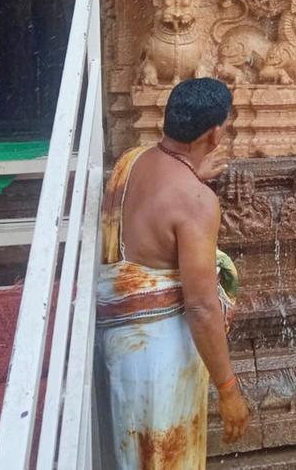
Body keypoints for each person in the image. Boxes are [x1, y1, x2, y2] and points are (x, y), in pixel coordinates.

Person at [97, 77, 249, 468]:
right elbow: (200, 307)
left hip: (118, 342)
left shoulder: (131, 161)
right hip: (158, 353)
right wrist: (228, 389)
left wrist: (193, 173)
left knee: (130, 453)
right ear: (214, 135)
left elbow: (156, 215)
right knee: (162, 457)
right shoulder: (196, 201)